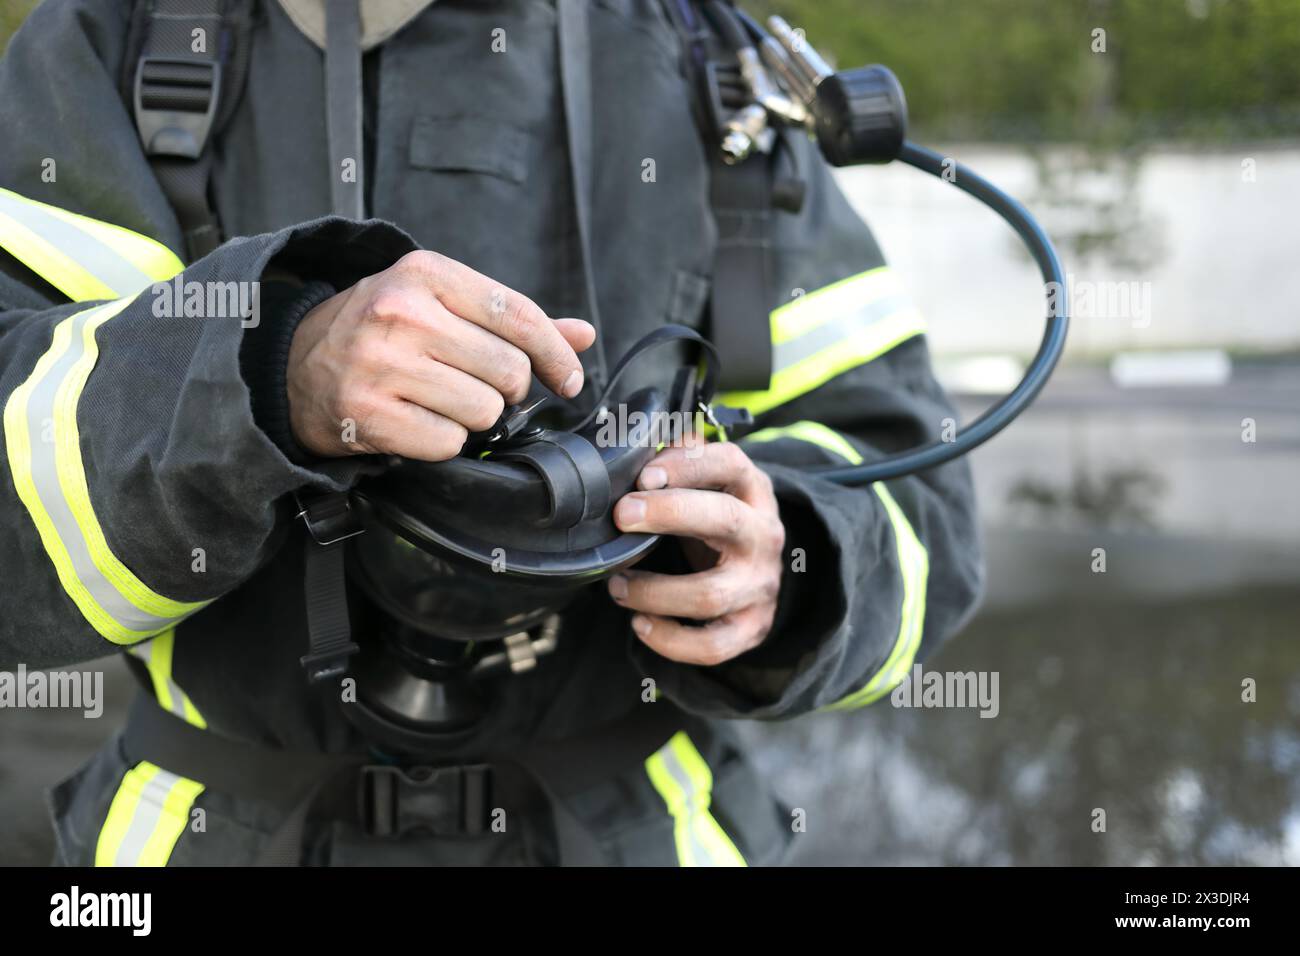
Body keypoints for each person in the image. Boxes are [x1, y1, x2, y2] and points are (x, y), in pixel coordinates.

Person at [0, 0, 982, 866]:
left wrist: (789, 564)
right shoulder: (123, 38)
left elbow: (918, 498)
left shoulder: (712, 67)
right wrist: (266, 370)